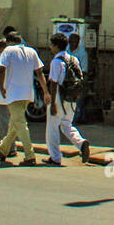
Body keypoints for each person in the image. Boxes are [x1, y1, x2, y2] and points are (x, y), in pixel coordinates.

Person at [0, 32, 47, 166]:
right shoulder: (31, 51)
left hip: (13, 93)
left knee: (21, 124)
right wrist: (46, 91)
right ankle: (3, 149)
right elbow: (40, 72)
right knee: (15, 124)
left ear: (8, 41)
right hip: (28, 93)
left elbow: (1, 69)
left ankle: (30, 155)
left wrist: (2, 86)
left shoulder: (8, 50)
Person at [45, 32, 90, 165]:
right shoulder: (73, 59)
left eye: (51, 44)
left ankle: (55, 157)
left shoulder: (56, 62)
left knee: (52, 127)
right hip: (71, 98)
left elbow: (54, 83)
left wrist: (52, 103)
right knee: (66, 124)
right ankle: (81, 143)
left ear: (56, 46)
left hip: (59, 96)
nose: (50, 47)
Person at [67, 31, 89, 122]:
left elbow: (84, 70)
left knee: (79, 99)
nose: (73, 44)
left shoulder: (82, 53)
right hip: (68, 77)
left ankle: (77, 118)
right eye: (71, 42)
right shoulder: (67, 50)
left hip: (78, 77)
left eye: (75, 42)